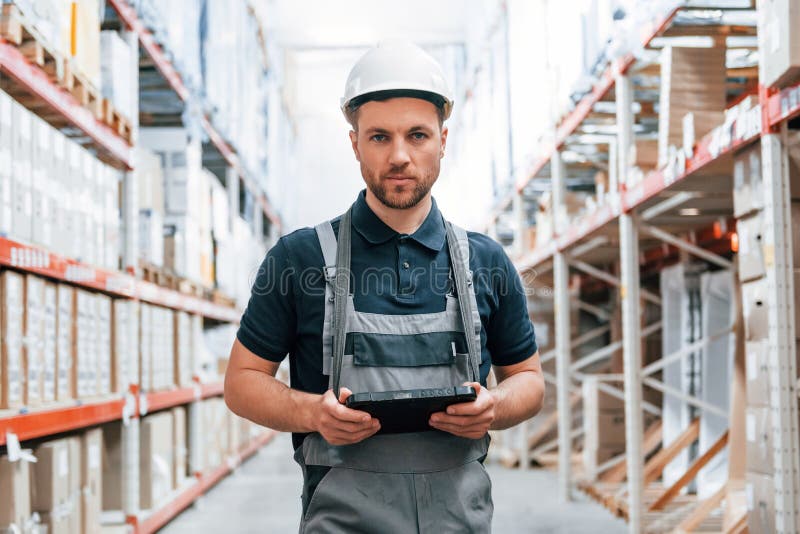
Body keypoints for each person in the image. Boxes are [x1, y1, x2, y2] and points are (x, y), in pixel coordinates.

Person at [224, 41, 545, 533]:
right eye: (379, 137)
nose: (399, 156)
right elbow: (241, 382)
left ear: (442, 139)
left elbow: (530, 380)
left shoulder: (487, 262)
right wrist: (313, 412)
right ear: (354, 144)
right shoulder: (298, 259)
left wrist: (494, 406)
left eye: (417, 135)